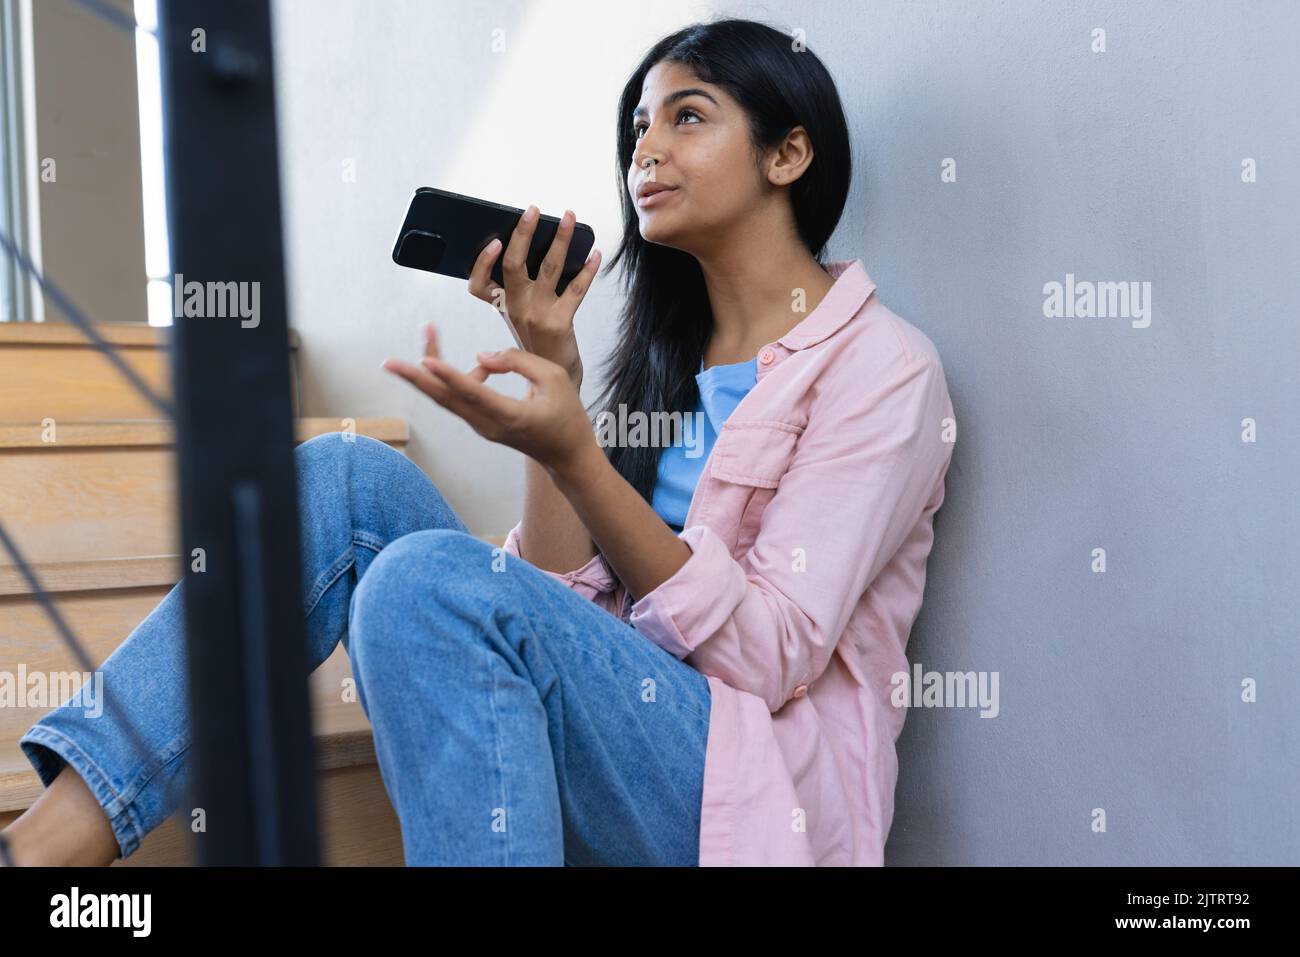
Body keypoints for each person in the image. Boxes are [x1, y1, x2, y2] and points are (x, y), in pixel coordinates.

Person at [2, 16, 954, 867]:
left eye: (687, 118)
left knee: (425, 583)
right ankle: (46, 846)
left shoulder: (883, 370)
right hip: (614, 732)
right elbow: (552, 600)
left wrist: (579, 453)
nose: (647, 150)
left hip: (743, 804)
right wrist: (558, 392)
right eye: (638, 128)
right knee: (341, 478)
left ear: (788, 155)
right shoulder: (669, 363)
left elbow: (769, 656)